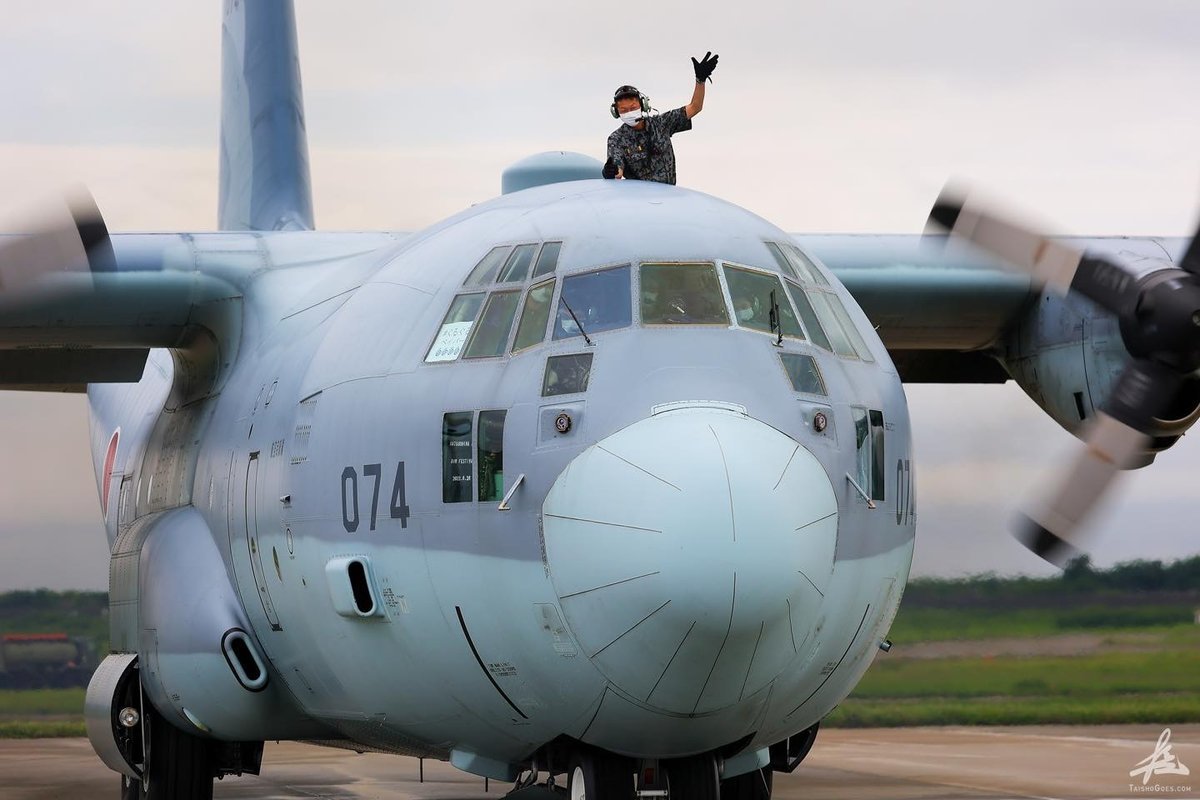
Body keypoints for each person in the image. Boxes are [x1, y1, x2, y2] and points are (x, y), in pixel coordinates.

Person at [602, 52, 719, 185]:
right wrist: (610, 171)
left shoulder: (661, 123)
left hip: (668, 194)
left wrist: (700, 81)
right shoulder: (616, 139)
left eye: (633, 107)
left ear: (643, 105)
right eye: (624, 110)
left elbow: (695, 107)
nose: (629, 112)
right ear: (616, 112)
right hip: (638, 197)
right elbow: (617, 172)